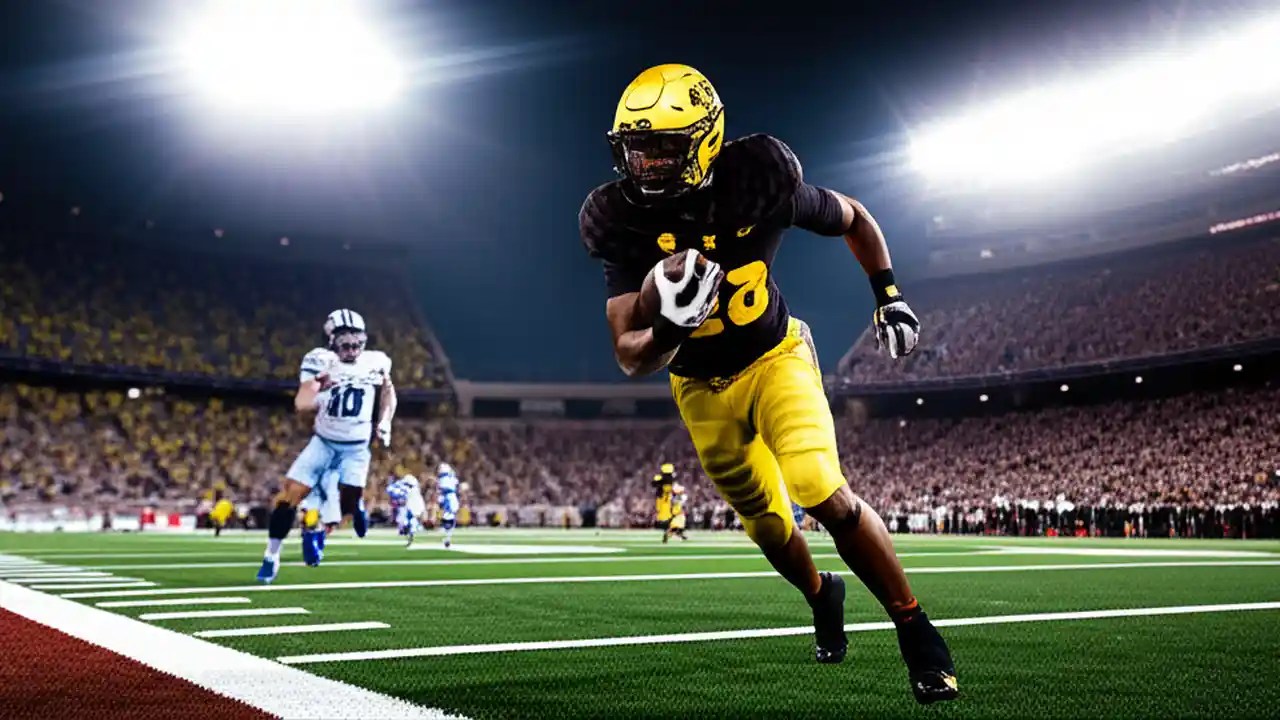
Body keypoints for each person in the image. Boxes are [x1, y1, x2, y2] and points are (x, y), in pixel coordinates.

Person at [579, 64, 956, 703]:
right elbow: (627, 353)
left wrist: (888, 293)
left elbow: (854, 218)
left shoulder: (758, 179)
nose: (645, 162)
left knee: (816, 484)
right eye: (636, 147)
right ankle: (821, 594)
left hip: (775, 355)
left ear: (703, 139)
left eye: (663, 146)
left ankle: (913, 623)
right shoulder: (618, 218)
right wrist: (670, 328)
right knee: (763, 521)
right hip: (698, 384)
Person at [256, 309, 397, 583]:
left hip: (356, 445)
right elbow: (301, 403)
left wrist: (386, 420)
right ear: (331, 340)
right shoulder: (318, 360)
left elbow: (389, 391)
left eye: (357, 342)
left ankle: (336, 519)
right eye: (345, 343)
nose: (352, 349)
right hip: (323, 441)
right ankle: (271, 555)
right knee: (289, 498)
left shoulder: (377, 361)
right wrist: (319, 383)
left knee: (346, 502)